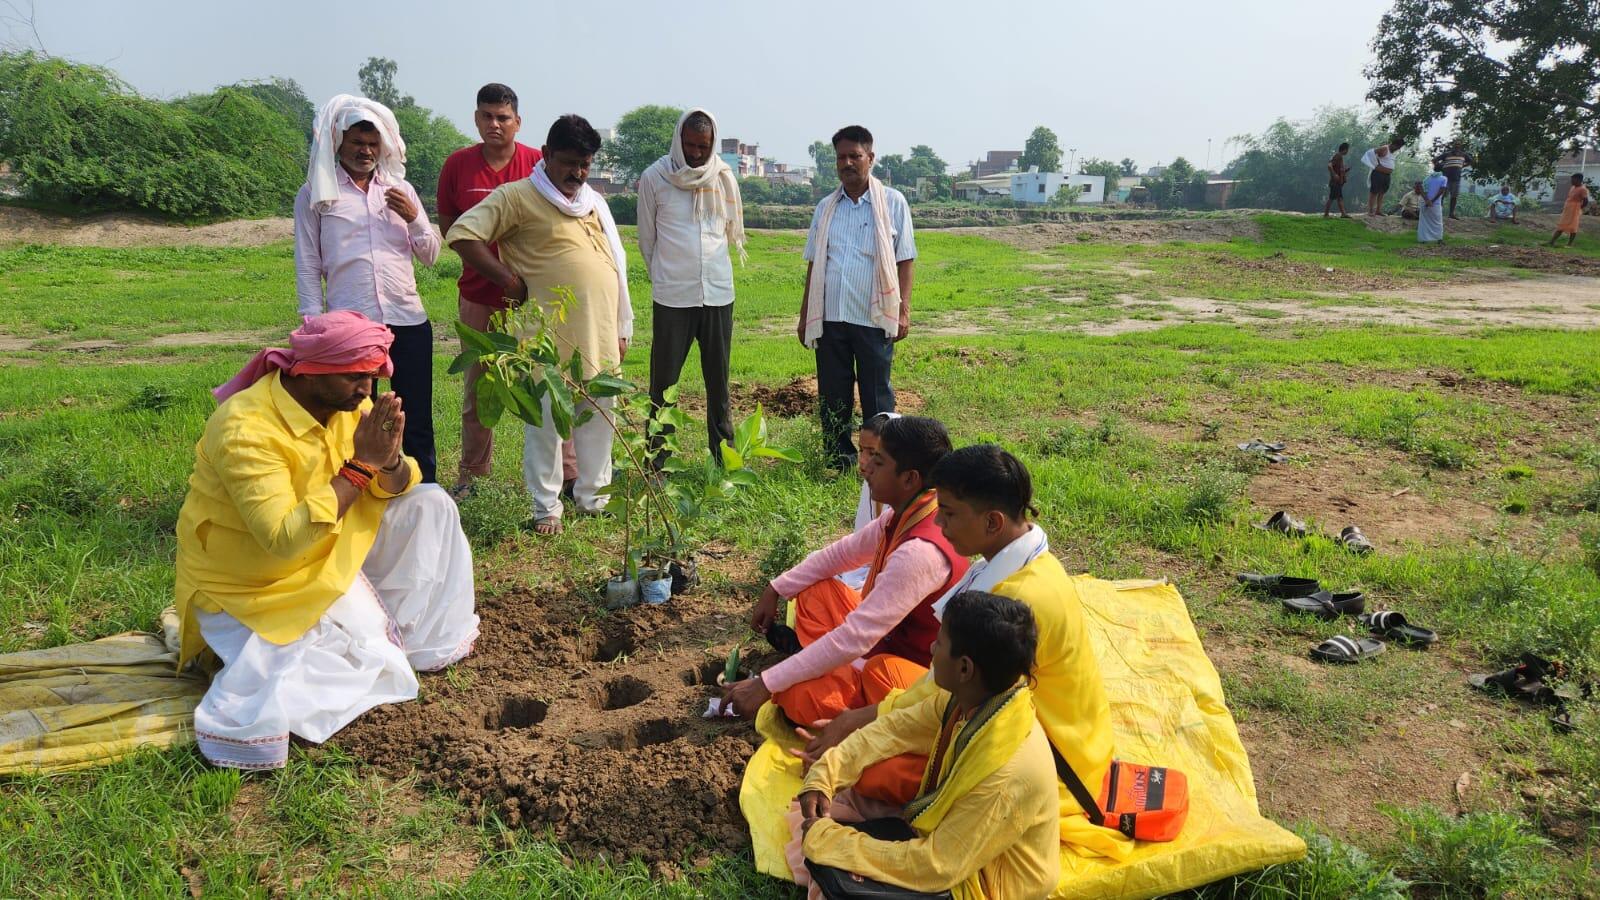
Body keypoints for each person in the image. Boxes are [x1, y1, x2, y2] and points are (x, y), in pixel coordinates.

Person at [793, 445, 1130, 860]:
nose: (938, 522)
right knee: (880, 680)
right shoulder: (1011, 558)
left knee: (874, 771)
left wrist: (855, 731)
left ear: (992, 521)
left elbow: (949, 701)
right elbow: (938, 692)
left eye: (949, 513)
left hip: (1043, 759)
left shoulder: (1018, 601)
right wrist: (859, 726)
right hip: (974, 704)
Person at [175, 311, 479, 770]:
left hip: (325, 552)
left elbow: (397, 484)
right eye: (356, 377)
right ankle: (230, 656)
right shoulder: (245, 428)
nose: (366, 390)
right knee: (320, 682)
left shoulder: (348, 406)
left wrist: (390, 461)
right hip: (255, 583)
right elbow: (281, 538)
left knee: (430, 502)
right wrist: (361, 465)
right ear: (311, 372)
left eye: (374, 377)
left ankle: (417, 637)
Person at [792, 591, 1060, 900]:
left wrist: (831, 842)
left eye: (941, 642)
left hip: (986, 883)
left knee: (829, 871)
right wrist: (825, 774)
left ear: (964, 669)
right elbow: (891, 730)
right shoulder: (969, 698)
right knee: (848, 793)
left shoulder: (1006, 775)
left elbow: (937, 866)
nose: (932, 647)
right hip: (952, 844)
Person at [723, 417, 969, 749]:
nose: (865, 467)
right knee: (814, 590)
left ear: (910, 478)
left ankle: (839, 693)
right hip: (875, 645)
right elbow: (841, 555)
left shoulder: (921, 552)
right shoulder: (903, 513)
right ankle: (818, 666)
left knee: (796, 697)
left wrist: (767, 683)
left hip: (907, 673)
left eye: (878, 461)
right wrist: (776, 587)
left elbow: (854, 638)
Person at [446, 115, 634, 534]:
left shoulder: (592, 201)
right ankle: (545, 508)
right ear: (546, 155)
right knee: (546, 424)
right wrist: (508, 280)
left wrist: (621, 326)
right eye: (569, 163)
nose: (578, 173)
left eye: (585, 165)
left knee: (600, 419)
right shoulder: (517, 196)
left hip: (599, 331)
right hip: (544, 339)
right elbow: (462, 233)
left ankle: (593, 497)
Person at [294, 95, 441, 483]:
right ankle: (361, 493)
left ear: (384, 146)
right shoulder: (316, 193)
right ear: (338, 142)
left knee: (415, 415)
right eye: (357, 142)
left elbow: (431, 255)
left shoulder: (401, 190)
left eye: (373, 144)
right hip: (351, 323)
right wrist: (313, 325)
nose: (366, 151)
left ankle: (423, 491)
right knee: (355, 414)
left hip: (407, 318)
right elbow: (308, 261)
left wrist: (413, 220)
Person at [437, 83, 569, 501]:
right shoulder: (458, 165)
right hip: (479, 294)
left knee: (551, 383)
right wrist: (493, 272)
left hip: (537, 299)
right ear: (476, 118)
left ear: (517, 122)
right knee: (480, 388)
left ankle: (567, 474)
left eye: (503, 117)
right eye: (487, 116)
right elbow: (450, 225)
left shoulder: (537, 163)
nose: (494, 125)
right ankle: (472, 475)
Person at [798, 125, 917, 473]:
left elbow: (905, 259)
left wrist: (903, 310)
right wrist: (806, 314)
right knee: (833, 393)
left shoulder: (892, 202)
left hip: (874, 315)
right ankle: (839, 459)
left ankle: (884, 460)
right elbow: (814, 263)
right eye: (841, 157)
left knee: (876, 394)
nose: (847, 163)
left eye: (855, 156)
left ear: (870, 158)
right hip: (831, 315)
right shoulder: (825, 207)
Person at [637, 108, 745, 468]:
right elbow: (647, 241)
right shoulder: (655, 177)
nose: (696, 153)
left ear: (712, 144)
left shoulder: (724, 176)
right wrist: (669, 276)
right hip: (672, 297)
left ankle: (724, 460)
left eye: (704, 145)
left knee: (719, 384)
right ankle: (658, 462)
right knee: (663, 384)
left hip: (717, 293)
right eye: (690, 145)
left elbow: (728, 232)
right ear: (677, 141)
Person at [838, 412, 900, 591]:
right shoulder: (875, 480)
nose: (863, 461)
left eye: (873, 453)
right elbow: (861, 543)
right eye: (860, 450)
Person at [1363, 136, 1406, 217]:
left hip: (1387, 175)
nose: (1398, 149)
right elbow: (1370, 153)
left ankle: (1378, 210)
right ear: (1394, 144)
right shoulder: (1384, 148)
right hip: (1378, 174)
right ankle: (1370, 211)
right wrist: (1376, 165)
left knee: (1382, 192)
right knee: (1374, 192)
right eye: (1398, 147)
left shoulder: (1392, 152)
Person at [1432, 142, 1474, 219]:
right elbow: (1434, 160)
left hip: (1456, 178)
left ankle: (1451, 213)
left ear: (1460, 147)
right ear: (1453, 147)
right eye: (1455, 146)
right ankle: (1438, 212)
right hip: (1446, 178)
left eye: (1458, 146)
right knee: (1442, 195)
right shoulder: (1447, 154)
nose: (1457, 147)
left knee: (1454, 196)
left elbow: (1471, 161)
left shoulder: (1463, 155)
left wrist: (1463, 165)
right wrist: (1440, 166)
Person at [1551, 173, 1590, 247]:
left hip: (1575, 210)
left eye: (1573, 180)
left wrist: (1578, 208)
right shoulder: (1573, 187)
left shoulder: (1583, 189)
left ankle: (1569, 244)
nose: (1571, 181)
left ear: (1579, 180)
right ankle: (1551, 241)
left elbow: (1585, 201)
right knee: (1561, 224)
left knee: (1573, 226)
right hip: (1568, 209)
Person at [1419, 168, 1448, 244]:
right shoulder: (1444, 178)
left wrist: (1427, 200)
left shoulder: (1427, 178)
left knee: (1424, 221)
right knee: (1438, 222)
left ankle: (1424, 239)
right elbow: (1441, 191)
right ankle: (1439, 239)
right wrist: (1432, 201)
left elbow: (1421, 189)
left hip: (1424, 202)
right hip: (1435, 203)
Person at [1324, 142, 1351, 218]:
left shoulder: (1339, 157)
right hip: (1335, 182)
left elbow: (1338, 169)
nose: (1347, 152)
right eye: (1347, 150)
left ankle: (1343, 214)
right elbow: (1329, 165)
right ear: (1345, 149)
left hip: (1338, 182)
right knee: (1332, 198)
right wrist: (1334, 174)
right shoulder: (1338, 156)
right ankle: (1326, 214)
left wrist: (1345, 170)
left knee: (1339, 198)